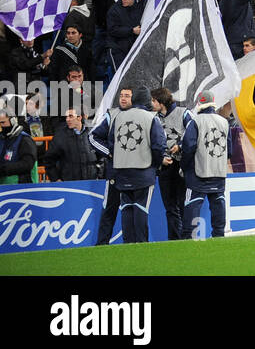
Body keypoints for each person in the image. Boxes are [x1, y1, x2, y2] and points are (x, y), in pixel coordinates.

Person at [90, 86, 165, 244]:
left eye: (127, 96)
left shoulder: (117, 117)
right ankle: (141, 244)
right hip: (143, 171)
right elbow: (159, 146)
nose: (123, 98)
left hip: (120, 172)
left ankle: (127, 244)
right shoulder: (151, 118)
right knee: (140, 207)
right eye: (121, 95)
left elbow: (111, 141)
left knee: (126, 207)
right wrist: (155, 165)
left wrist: (114, 155)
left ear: (134, 99)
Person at [180, 91, 229, 238]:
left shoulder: (195, 121)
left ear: (199, 103)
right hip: (219, 172)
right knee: (218, 203)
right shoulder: (224, 121)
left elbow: (188, 147)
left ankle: (190, 238)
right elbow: (230, 150)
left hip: (198, 172)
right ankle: (219, 236)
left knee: (193, 205)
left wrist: (184, 166)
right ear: (213, 102)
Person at [152, 86, 192, 240]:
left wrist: (180, 145)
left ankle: (186, 238)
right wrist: (160, 157)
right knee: (169, 207)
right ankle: (174, 240)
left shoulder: (184, 113)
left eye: (154, 100)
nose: (152, 103)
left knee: (183, 204)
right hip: (164, 166)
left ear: (161, 102)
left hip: (181, 165)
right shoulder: (153, 117)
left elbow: (193, 132)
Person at [44, 107, 98, 182]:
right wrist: (56, 179)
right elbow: (48, 160)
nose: (67, 119)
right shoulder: (60, 136)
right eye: (66, 117)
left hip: (92, 184)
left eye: (71, 116)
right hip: (69, 186)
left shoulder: (93, 132)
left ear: (79, 117)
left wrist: (100, 176)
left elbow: (101, 158)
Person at [0, 104, 39, 184]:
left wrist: (4, 169)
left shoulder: (25, 140)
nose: (1, 126)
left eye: (3, 123)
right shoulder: (2, 138)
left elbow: (27, 164)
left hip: (20, 186)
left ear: (13, 121)